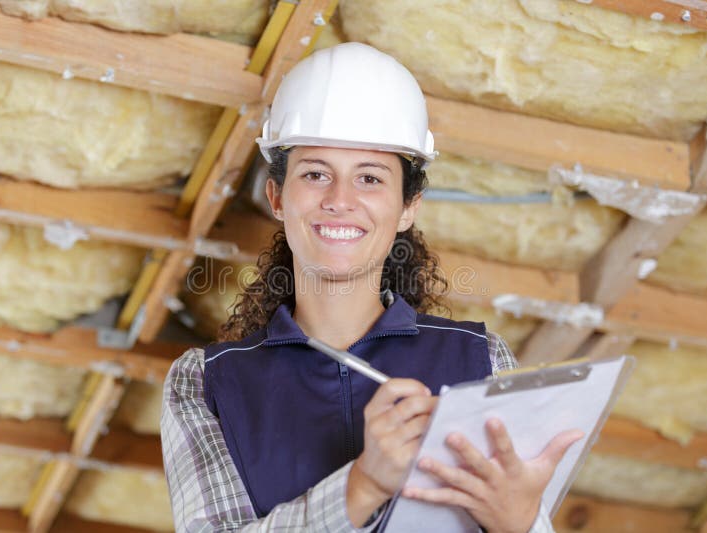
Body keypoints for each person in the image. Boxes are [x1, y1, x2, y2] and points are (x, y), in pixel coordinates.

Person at [161, 42, 582, 532]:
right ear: (277, 195)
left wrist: (521, 524)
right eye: (316, 174)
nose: (340, 200)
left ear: (408, 206)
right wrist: (363, 486)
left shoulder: (480, 360)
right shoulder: (205, 384)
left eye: (370, 178)